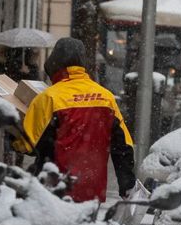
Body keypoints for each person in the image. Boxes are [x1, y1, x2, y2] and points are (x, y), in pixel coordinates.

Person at [11, 37, 136, 202]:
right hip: (92, 192)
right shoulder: (106, 98)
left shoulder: (49, 98)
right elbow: (123, 146)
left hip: (54, 190)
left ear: (55, 63)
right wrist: (126, 183)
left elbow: (26, 144)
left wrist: (12, 129)